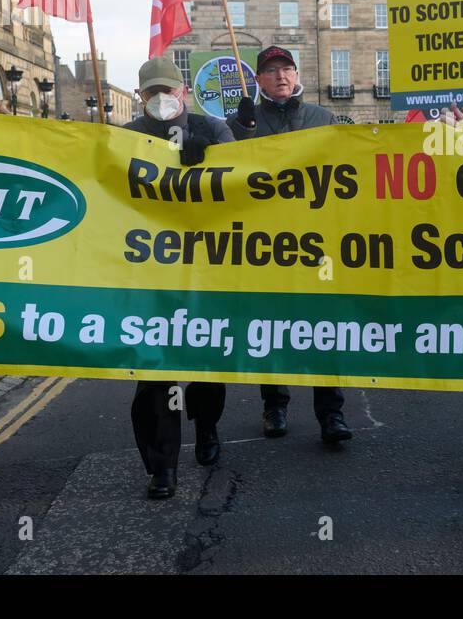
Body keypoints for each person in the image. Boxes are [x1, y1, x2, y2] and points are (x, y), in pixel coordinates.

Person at [229, 46, 352, 445]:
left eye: (287, 69)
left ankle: (331, 414)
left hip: (316, 243)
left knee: (322, 328)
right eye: (271, 70)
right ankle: (274, 406)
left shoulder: (323, 118)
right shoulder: (240, 122)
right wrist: (241, 133)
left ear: (296, 76)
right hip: (264, 246)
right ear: (259, 79)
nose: (280, 76)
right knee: (271, 327)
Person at [124, 55, 231, 498]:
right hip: (149, 270)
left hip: (205, 267)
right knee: (155, 373)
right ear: (142, 96)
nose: (162, 98)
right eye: (153, 93)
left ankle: (206, 428)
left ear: (183, 91)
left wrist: (208, 165)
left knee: (206, 366)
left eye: (170, 90)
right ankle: (161, 466)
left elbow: (240, 189)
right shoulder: (125, 136)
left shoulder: (213, 130)